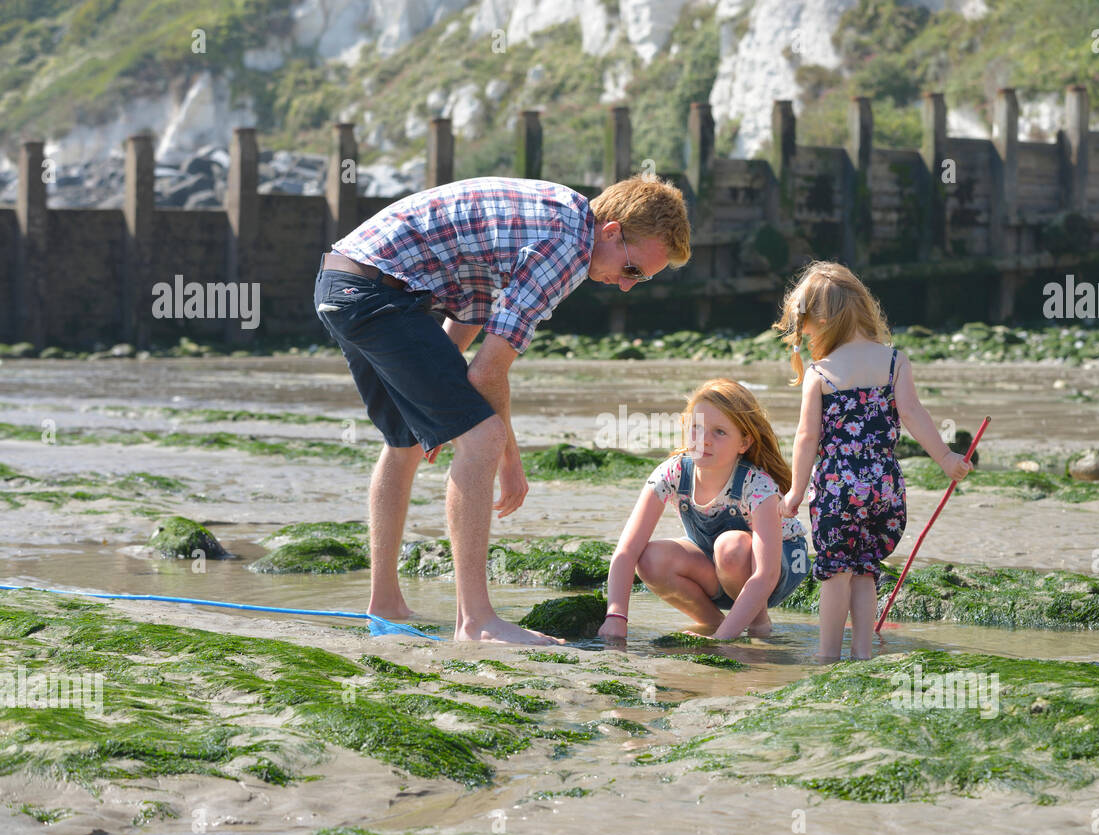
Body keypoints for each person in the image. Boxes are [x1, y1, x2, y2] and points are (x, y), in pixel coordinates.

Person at [313, 175, 691, 644]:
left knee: (406, 440)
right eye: (633, 270)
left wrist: (439, 407)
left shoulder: (553, 215)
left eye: (644, 279)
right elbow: (487, 374)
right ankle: (476, 622)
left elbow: (466, 324)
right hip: (377, 295)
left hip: (342, 281)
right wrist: (509, 461)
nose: (628, 287)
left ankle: (385, 602)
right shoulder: (565, 249)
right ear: (611, 232)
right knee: (484, 438)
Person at [775, 262, 972, 661]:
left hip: (837, 489)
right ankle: (863, 654)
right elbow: (914, 414)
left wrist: (796, 490)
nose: (806, 335)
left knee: (835, 574)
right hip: (884, 487)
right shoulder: (893, 361)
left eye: (807, 326)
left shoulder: (821, 373)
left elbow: (806, 437)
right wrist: (947, 457)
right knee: (865, 570)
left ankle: (828, 654)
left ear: (824, 320)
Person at [599, 379, 810, 643]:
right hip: (712, 564)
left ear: (744, 443)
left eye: (719, 432)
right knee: (650, 558)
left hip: (778, 568)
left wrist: (722, 642)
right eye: (696, 428)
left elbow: (765, 575)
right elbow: (626, 550)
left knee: (730, 546)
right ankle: (713, 623)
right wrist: (616, 617)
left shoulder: (757, 485)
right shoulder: (672, 473)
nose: (704, 440)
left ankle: (758, 624)